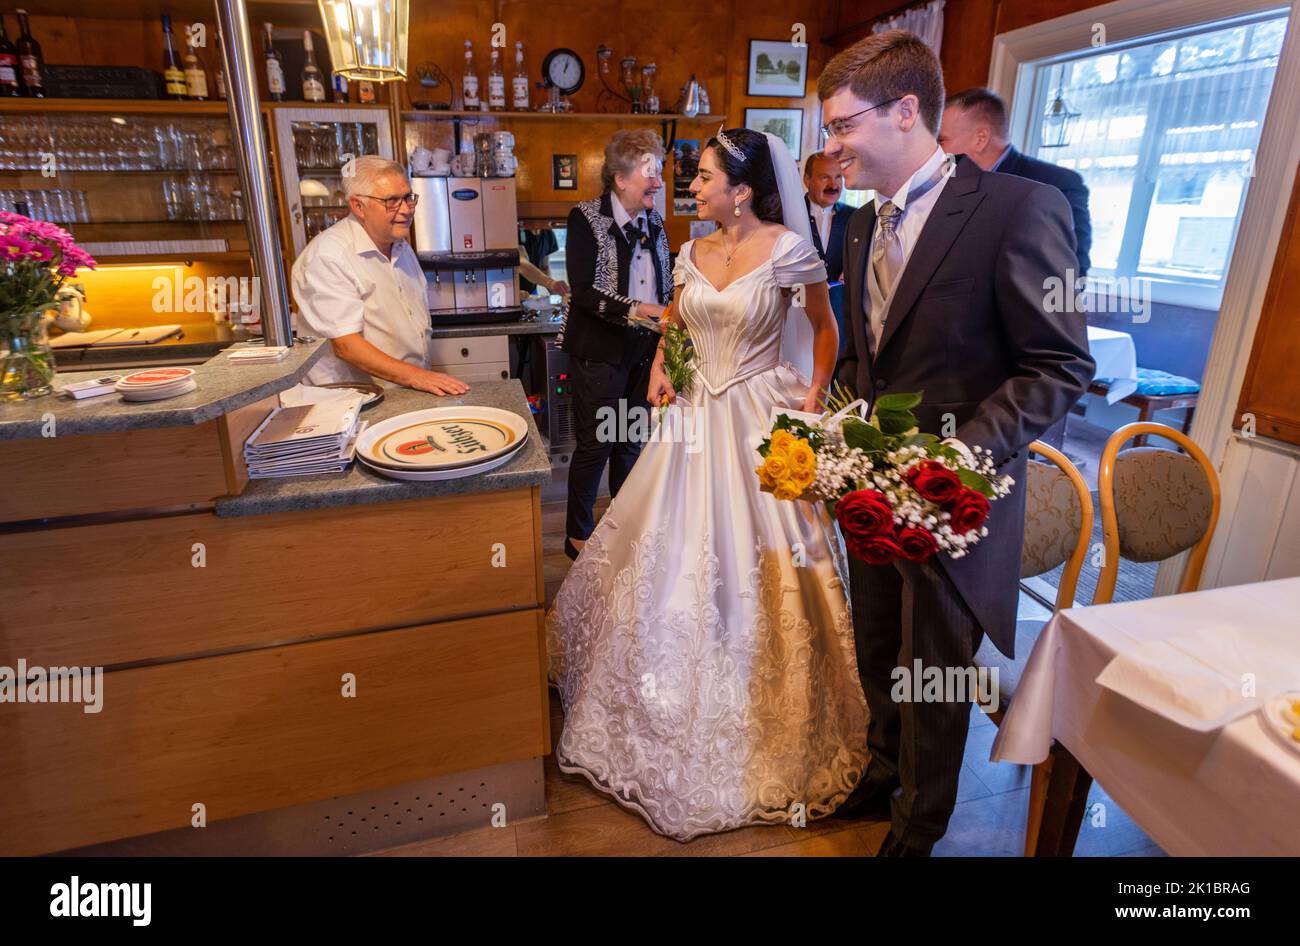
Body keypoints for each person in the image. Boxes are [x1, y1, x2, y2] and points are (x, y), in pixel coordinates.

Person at [545, 127, 867, 842]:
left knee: (763, 555)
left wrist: (814, 394)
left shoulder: (790, 248)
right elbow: (677, 322)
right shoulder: (689, 251)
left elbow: (823, 326)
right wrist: (664, 361)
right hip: (693, 417)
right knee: (663, 546)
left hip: (758, 407)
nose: (690, 185)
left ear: (743, 188)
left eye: (704, 176)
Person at [818, 31, 1094, 855]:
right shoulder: (864, 224)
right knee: (876, 648)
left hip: (956, 502)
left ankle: (919, 825)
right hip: (871, 495)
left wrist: (958, 455)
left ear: (908, 112)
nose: (831, 149)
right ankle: (878, 775)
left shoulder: (1021, 209)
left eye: (843, 126)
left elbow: (1062, 362)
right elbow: (872, 361)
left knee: (934, 672)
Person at [560, 129, 673, 561]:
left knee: (630, 443)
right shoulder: (586, 217)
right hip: (599, 351)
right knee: (596, 445)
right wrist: (643, 310)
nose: (658, 182)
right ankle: (578, 536)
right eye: (651, 173)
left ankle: (622, 525)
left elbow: (666, 281)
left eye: (660, 172)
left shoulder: (657, 223)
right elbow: (584, 291)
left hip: (644, 353)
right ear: (621, 179)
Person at [292, 156, 468, 395]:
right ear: (358, 206)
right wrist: (419, 377)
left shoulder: (400, 247)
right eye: (392, 201)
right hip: (352, 402)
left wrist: (421, 375)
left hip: (402, 390)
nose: (406, 209)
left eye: (408, 197)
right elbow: (346, 346)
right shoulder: (328, 256)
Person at [940, 87, 1093, 276]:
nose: (936, 149)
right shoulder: (947, 181)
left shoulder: (1056, 184)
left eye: (941, 140)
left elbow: (1072, 270)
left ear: (981, 139)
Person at [803, 151, 854, 366]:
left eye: (838, 177)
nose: (833, 184)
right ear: (807, 180)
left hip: (841, 317)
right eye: (825, 177)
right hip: (800, 314)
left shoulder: (856, 216)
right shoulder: (786, 214)